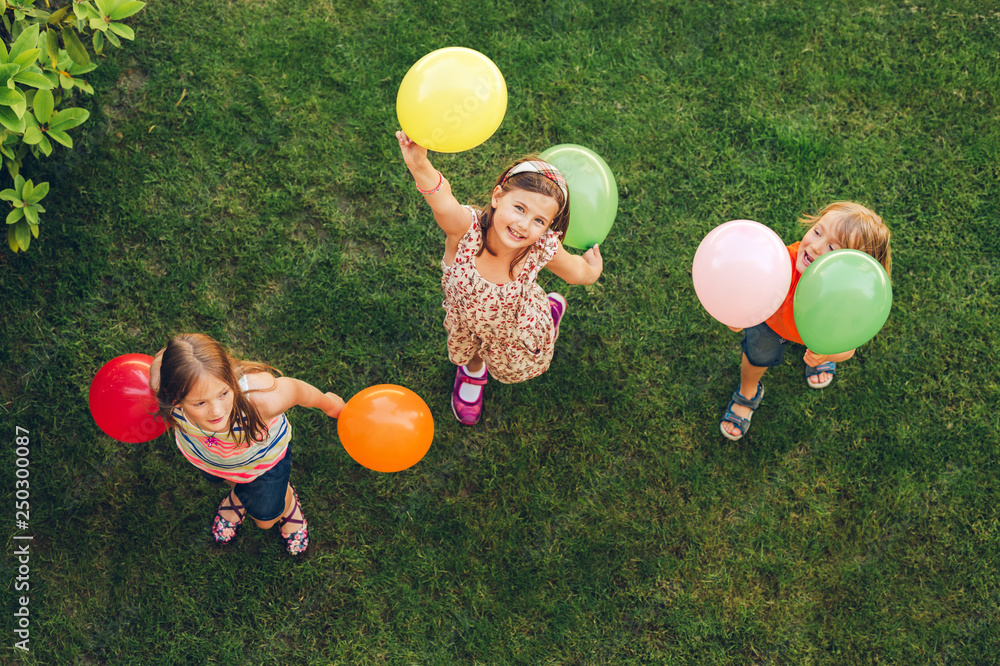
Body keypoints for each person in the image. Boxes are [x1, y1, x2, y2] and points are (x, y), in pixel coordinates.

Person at [396, 130, 603, 425]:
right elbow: (442, 200)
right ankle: (472, 371)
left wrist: (592, 271)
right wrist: (419, 165)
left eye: (539, 221)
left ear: (547, 227)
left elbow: (575, 273)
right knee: (471, 350)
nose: (523, 225)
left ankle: (550, 312)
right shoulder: (464, 231)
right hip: (466, 322)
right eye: (519, 208)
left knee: (522, 348)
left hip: (516, 327)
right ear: (497, 197)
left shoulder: (540, 246)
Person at [149, 333, 344, 554]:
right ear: (174, 397)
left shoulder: (261, 397)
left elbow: (299, 392)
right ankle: (240, 494)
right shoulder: (162, 385)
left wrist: (329, 404)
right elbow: (161, 361)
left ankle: (288, 504)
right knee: (230, 481)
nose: (217, 411)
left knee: (266, 520)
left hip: (263, 463)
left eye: (223, 393)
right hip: (210, 459)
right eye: (200, 403)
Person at [720, 202, 892, 441]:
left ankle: (818, 359)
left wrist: (827, 355)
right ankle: (747, 391)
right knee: (758, 355)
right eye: (817, 232)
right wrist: (739, 314)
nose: (816, 246)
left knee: (821, 347)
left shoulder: (848, 298)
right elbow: (749, 290)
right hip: (772, 324)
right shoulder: (779, 265)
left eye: (833, 248)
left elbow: (847, 349)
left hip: (815, 332)